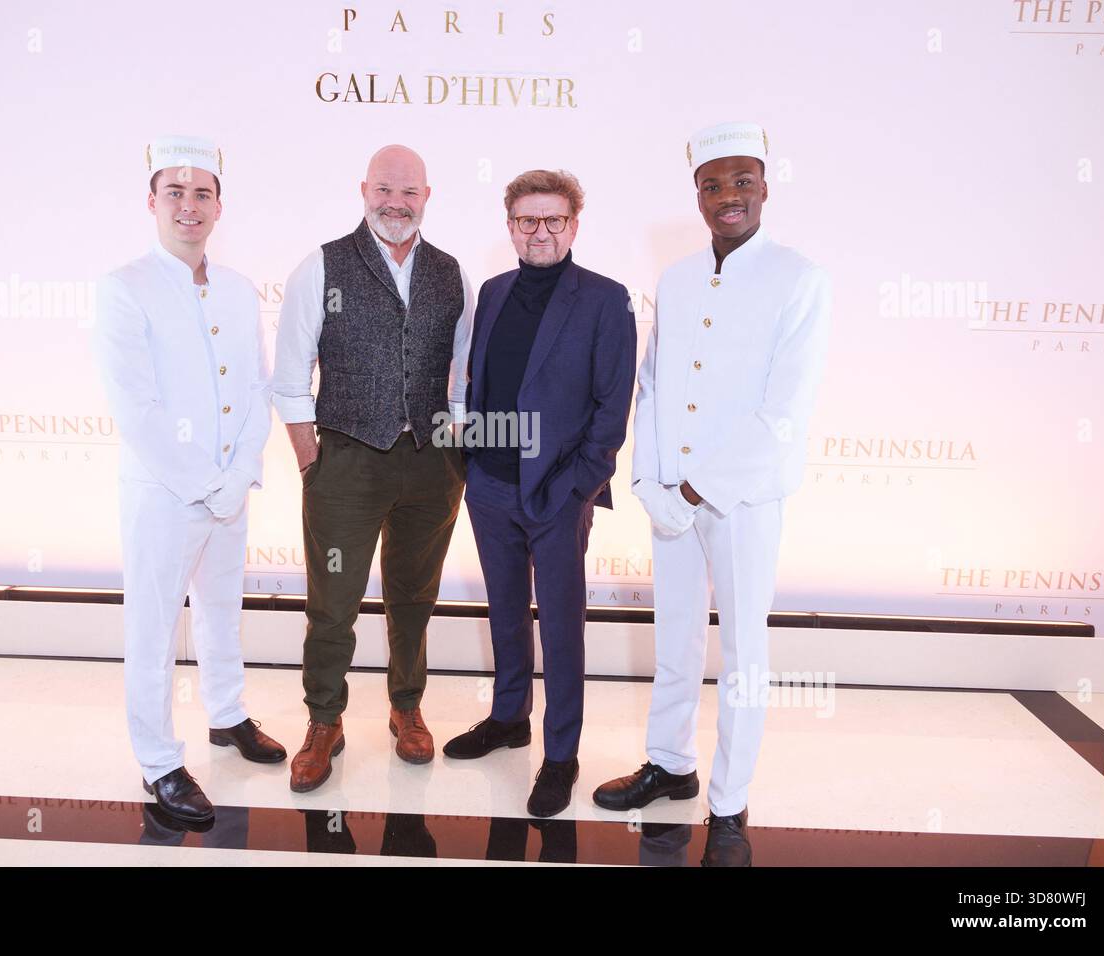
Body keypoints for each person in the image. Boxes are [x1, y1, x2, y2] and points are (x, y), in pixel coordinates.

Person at [593, 122, 832, 866]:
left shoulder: (800, 278)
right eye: (712, 183)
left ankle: (728, 804)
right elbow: (658, 384)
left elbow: (780, 415)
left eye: (741, 181)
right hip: (672, 498)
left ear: (765, 185)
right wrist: (646, 479)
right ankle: (670, 765)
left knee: (743, 655)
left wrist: (691, 489)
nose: (728, 196)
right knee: (673, 643)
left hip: (742, 501)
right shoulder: (679, 276)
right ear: (696, 193)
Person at [271, 144, 474, 793]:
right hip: (347, 461)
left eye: (408, 192)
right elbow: (289, 377)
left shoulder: (450, 272)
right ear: (365, 189)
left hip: (431, 465)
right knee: (333, 603)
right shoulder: (322, 264)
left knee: (414, 595)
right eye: (385, 189)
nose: (396, 201)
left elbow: (465, 373)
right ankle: (324, 721)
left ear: (426, 196)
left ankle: (406, 704)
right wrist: (313, 464)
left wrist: (458, 444)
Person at [93, 135, 284, 824]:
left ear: (219, 205)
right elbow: (136, 411)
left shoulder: (236, 290)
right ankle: (158, 763)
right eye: (175, 192)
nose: (189, 206)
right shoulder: (125, 288)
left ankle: (226, 714)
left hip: (230, 490)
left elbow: (259, 386)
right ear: (152, 201)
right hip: (165, 495)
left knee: (221, 610)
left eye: (202, 193)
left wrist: (241, 476)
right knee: (153, 626)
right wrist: (207, 482)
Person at [441, 170, 635, 818]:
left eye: (554, 220)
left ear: (574, 226)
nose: (541, 231)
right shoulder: (493, 292)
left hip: (557, 495)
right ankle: (508, 718)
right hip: (489, 487)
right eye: (528, 220)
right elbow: (480, 382)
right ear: (511, 227)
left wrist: (576, 490)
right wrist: (469, 466)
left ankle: (560, 756)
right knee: (503, 614)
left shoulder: (607, 300)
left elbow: (611, 413)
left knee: (560, 627)